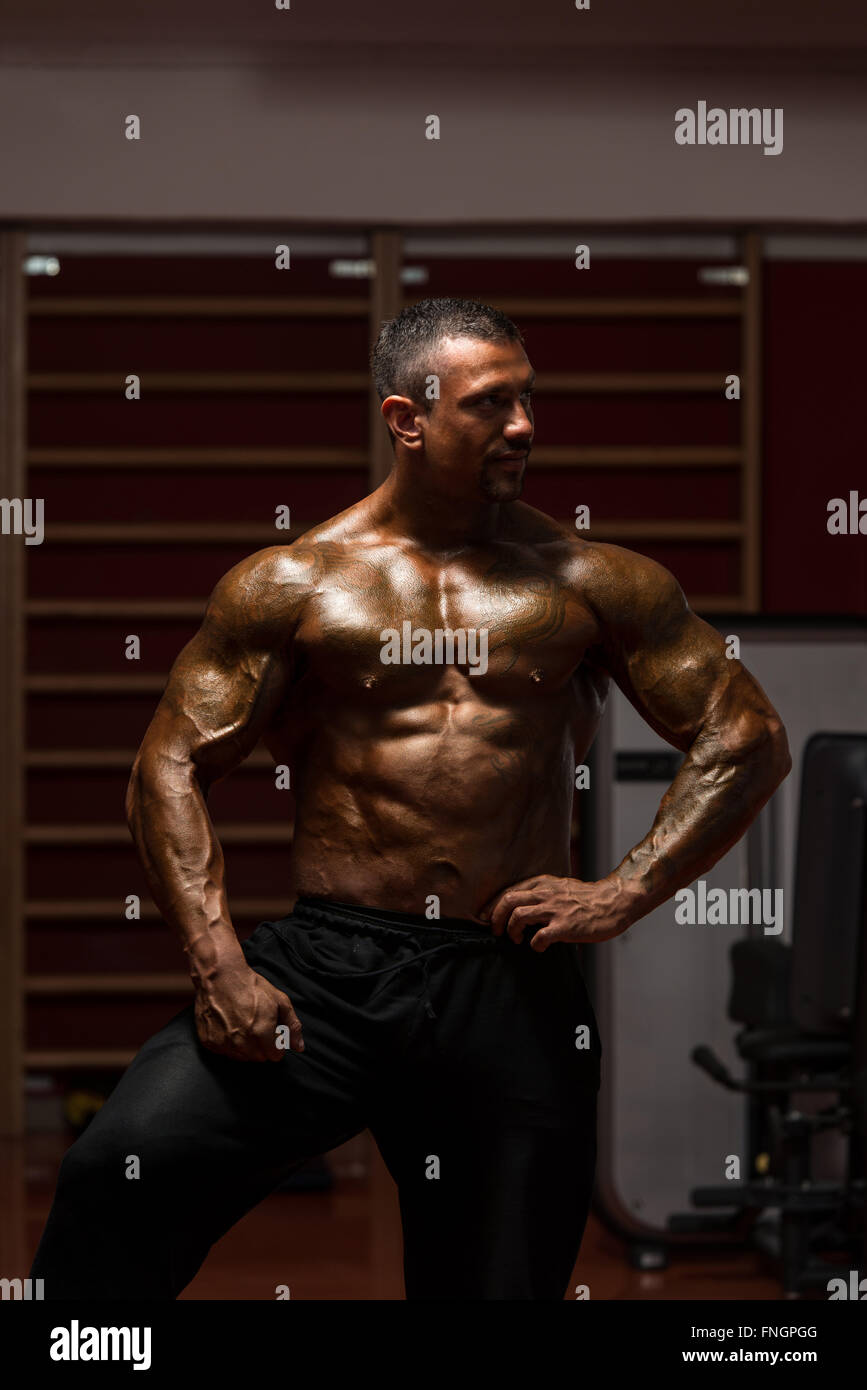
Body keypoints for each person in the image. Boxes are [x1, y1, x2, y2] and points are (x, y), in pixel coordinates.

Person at [30, 298, 791, 1300]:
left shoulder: (592, 580)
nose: (524, 425)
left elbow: (748, 737)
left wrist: (620, 895)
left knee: (500, 1282)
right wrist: (216, 962)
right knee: (117, 1176)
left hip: (510, 977)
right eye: (492, 403)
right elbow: (166, 765)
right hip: (331, 974)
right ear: (409, 417)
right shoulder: (294, 584)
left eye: (529, 399)